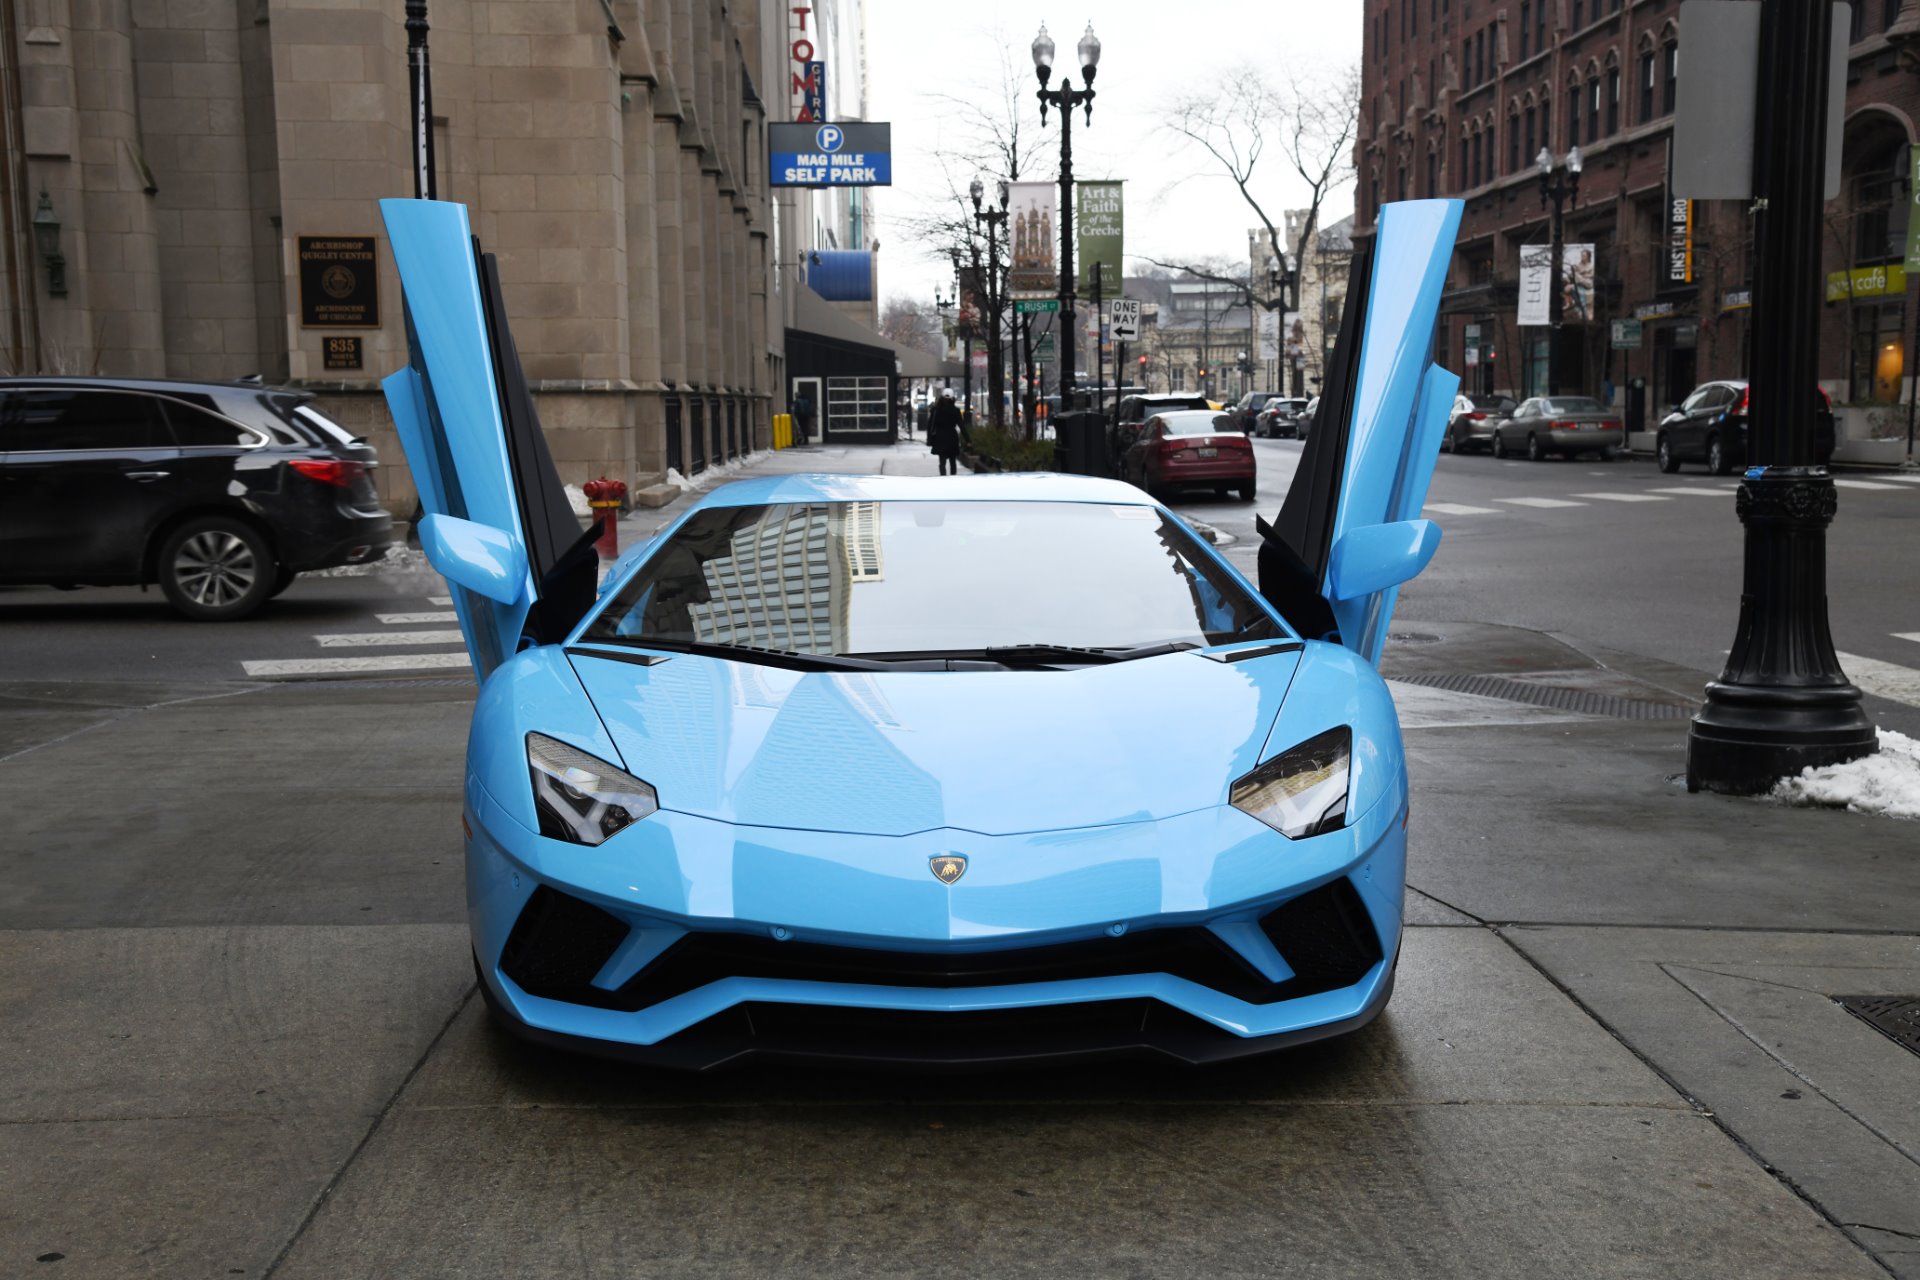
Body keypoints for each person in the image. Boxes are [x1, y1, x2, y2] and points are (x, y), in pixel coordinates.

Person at [927, 386, 965, 476]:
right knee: (953, 461)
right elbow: (962, 426)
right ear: (953, 399)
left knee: (942, 462)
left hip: (940, 437)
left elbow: (930, 425)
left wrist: (929, 439)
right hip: (952, 437)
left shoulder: (936, 410)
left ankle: (943, 478)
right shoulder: (956, 411)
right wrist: (968, 440)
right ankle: (952, 479)